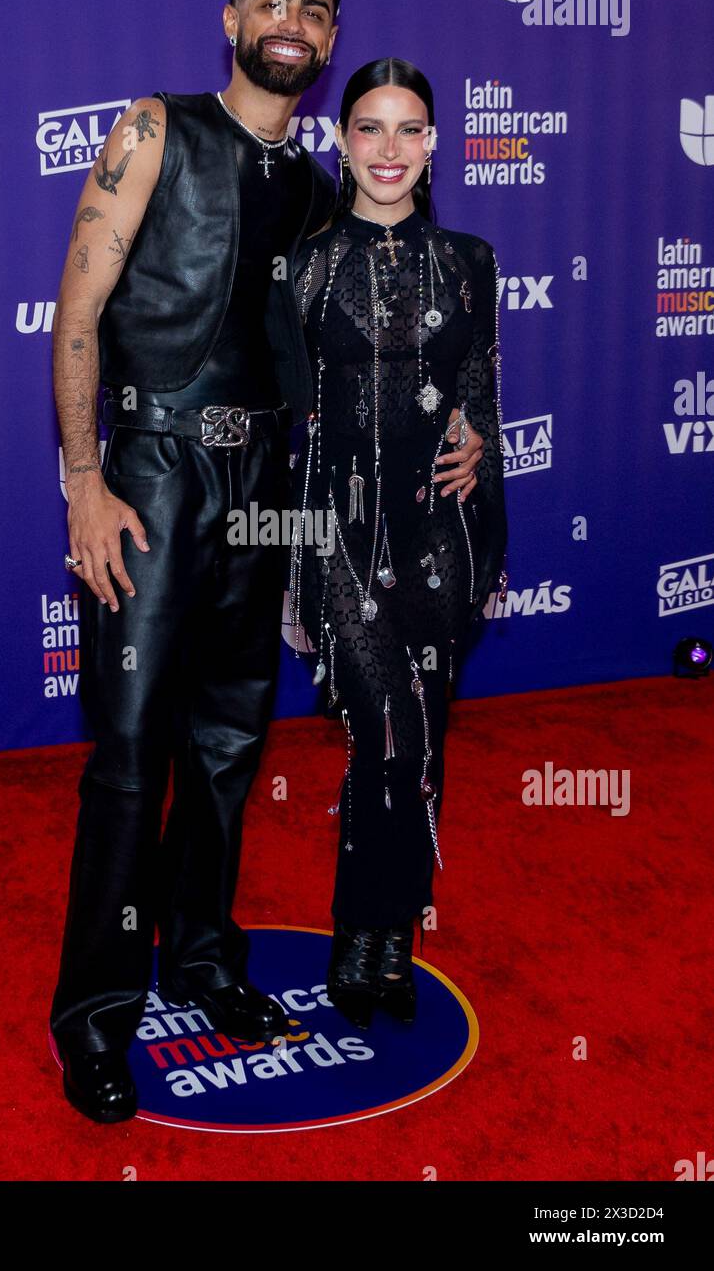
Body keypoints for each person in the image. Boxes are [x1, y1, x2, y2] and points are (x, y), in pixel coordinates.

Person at [46, 0, 347, 1124]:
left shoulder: (319, 190)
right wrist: (84, 478)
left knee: (228, 749)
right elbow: (78, 309)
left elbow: (330, 363)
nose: (291, 22)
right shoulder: (152, 129)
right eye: (269, 2)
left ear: (325, 41)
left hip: (263, 483)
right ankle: (95, 1016)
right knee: (128, 762)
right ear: (230, 20)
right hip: (153, 475)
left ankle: (207, 964)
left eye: (313, 10)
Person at [288, 58, 508, 1029]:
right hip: (340, 534)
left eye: (407, 128)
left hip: (441, 536)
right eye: (368, 127)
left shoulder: (470, 258)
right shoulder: (307, 261)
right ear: (341, 141)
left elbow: (482, 396)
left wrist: (478, 444)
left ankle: (390, 934)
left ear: (431, 143)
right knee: (385, 727)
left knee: (421, 742)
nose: (387, 148)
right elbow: (281, 414)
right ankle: (357, 924)